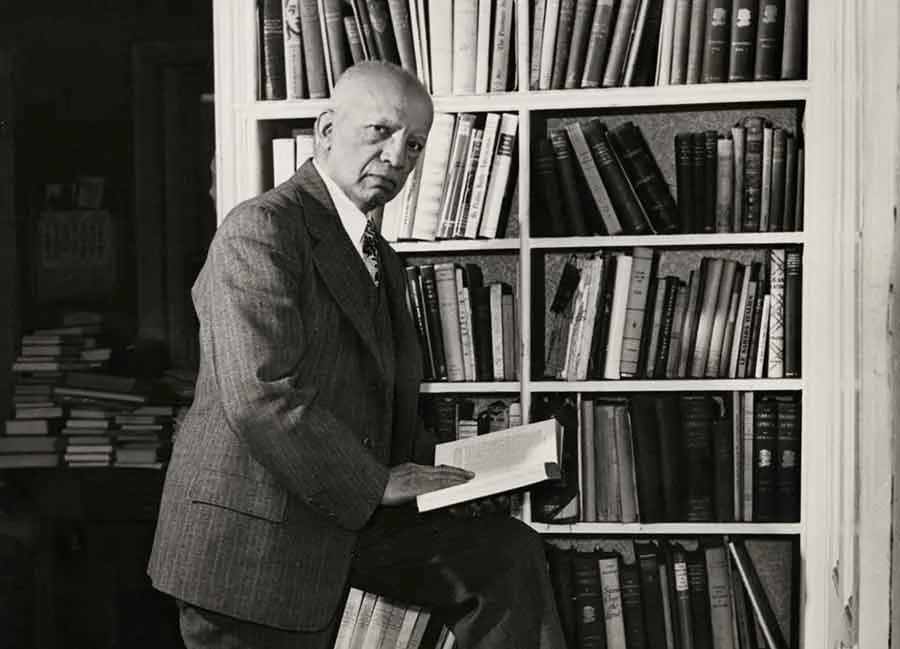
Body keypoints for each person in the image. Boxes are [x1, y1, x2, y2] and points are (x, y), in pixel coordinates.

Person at [147, 60, 565, 649]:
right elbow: (261, 398)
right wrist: (377, 485)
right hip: (251, 538)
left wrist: (462, 475)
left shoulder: (378, 254)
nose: (397, 157)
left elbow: (376, 403)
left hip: (338, 511)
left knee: (505, 553)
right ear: (325, 130)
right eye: (381, 132)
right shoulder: (260, 229)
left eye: (414, 144)